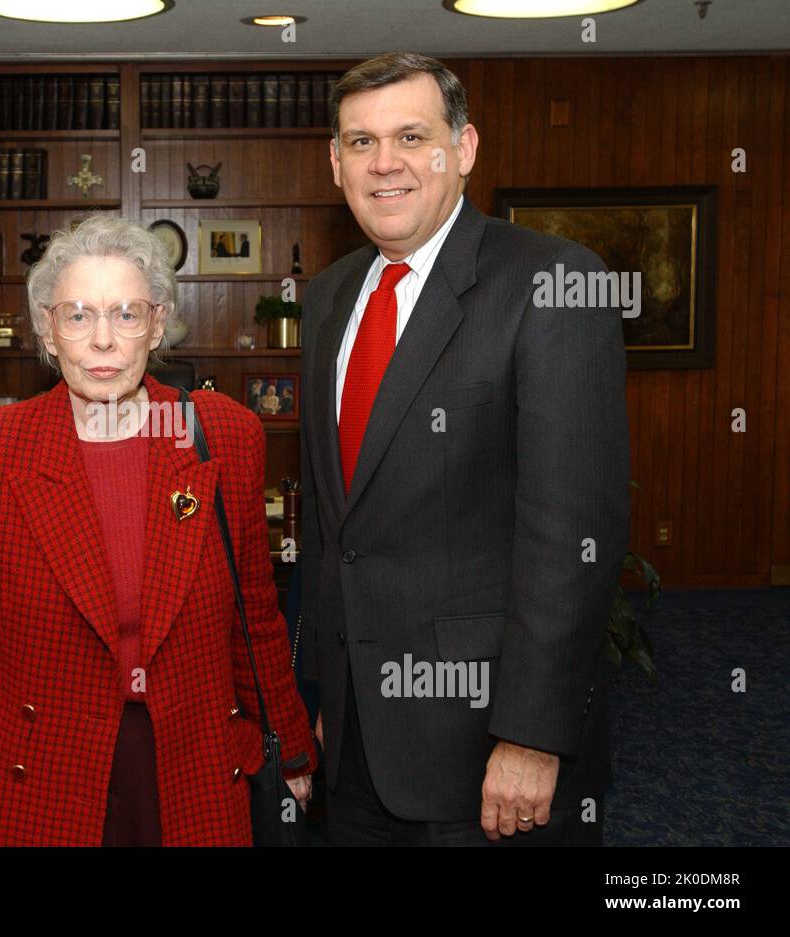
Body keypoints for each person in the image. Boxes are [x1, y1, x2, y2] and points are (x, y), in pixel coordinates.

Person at [297, 53, 630, 846]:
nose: (385, 164)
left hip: (487, 756)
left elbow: (572, 538)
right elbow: (335, 525)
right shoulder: (329, 296)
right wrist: (325, 694)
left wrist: (532, 734)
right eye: (361, 141)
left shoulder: (550, 283)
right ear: (335, 160)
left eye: (412, 136)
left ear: (465, 148)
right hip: (353, 746)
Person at [0, 214, 316, 846]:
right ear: (47, 327)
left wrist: (289, 752)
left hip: (195, 774)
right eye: (77, 315)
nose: (102, 340)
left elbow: (254, 614)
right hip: (34, 784)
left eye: (126, 314)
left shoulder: (223, 434)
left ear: (157, 325)